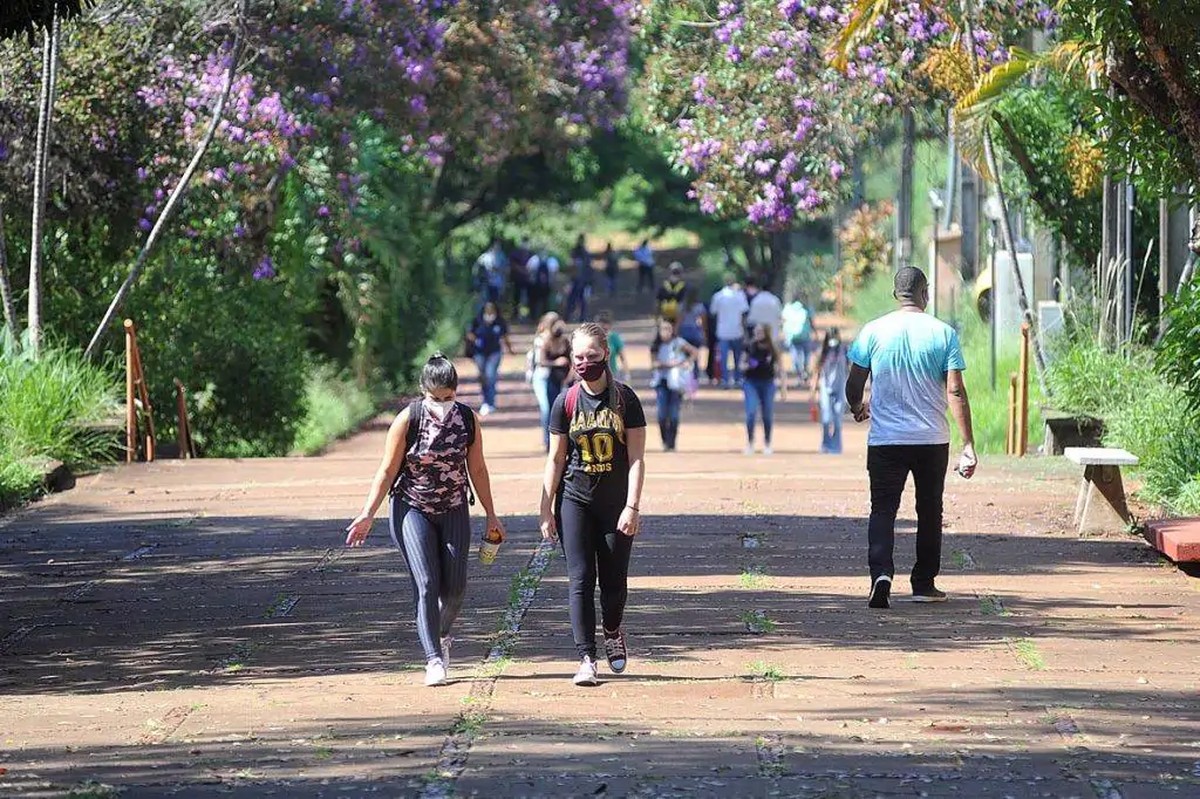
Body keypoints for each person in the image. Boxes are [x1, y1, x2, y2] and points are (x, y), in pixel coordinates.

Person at [344, 355, 506, 687]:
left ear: (456, 393)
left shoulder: (467, 420)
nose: (443, 405)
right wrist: (368, 513)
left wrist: (491, 514)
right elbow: (388, 470)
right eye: (436, 398)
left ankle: (442, 633)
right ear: (423, 391)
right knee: (427, 583)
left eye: (449, 398)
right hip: (411, 507)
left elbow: (477, 469)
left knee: (456, 588)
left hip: (454, 507)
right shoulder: (408, 419)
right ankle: (433, 658)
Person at [845, 266, 977, 610]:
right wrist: (968, 445)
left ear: (895, 295)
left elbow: (854, 383)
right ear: (925, 293)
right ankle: (923, 582)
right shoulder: (943, 333)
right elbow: (955, 390)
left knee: (883, 509)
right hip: (931, 440)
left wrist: (858, 407)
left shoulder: (873, 331)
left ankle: (881, 576)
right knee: (929, 510)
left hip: (886, 440)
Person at [540, 323, 647, 686]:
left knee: (614, 583)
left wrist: (632, 506)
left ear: (606, 356)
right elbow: (555, 459)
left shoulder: (625, 400)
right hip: (575, 501)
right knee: (580, 581)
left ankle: (613, 630)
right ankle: (586, 657)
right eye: (579, 357)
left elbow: (635, 458)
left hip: (615, 504)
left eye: (592, 356)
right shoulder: (565, 401)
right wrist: (545, 507)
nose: (585, 363)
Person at [650, 319, 697, 452]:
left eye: (668, 329)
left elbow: (694, 352)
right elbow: (654, 363)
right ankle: (665, 440)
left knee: (674, 414)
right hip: (661, 382)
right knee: (662, 414)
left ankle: (672, 442)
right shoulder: (656, 346)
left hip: (676, 382)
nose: (665, 332)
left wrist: (687, 362)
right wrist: (668, 364)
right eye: (663, 329)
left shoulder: (678, 343)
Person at [741, 323, 785, 455]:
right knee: (751, 412)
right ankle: (750, 442)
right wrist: (748, 366)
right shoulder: (749, 346)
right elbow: (741, 365)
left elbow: (781, 368)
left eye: (760, 332)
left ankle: (767, 442)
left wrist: (783, 387)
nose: (757, 334)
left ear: (766, 333)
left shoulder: (772, 348)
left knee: (767, 414)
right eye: (756, 331)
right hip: (751, 382)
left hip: (768, 383)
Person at [467, 302, 515, 417]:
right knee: (483, 376)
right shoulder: (477, 320)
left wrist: (510, 350)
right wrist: (476, 340)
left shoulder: (499, 321)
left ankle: (490, 402)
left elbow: (504, 337)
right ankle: (485, 400)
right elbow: (469, 333)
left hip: (494, 352)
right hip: (480, 353)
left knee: (491, 375)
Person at [533, 315, 572, 452]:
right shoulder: (545, 342)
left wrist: (569, 376)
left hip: (563, 379)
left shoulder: (565, 342)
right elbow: (541, 361)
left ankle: (565, 441)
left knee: (564, 410)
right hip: (548, 379)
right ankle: (548, 440)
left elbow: (572, 360)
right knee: (547, 409)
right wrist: (556, 362)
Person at [813, 327, 849, 454]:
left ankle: (836, 445)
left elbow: (849, 369)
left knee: (838, 417)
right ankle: (825, 444)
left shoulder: (844, 351)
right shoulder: (823, 352)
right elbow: (816, 372)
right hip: (825, 387)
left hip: (840, 387)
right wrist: (813, 390)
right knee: (827, 418)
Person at [710, 273, 749, 388]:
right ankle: (738, 379)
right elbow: (744, 313)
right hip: (737, 330)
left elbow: (713, 312)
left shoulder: (718, 296)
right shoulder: (740, 295)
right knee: (737, 357)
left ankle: (725, 379)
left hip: (723, 331)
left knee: (724, 357)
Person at [781, 294, 815, 386]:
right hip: (805, 336)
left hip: (793, 337)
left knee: (795, 356)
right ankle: (805, 372)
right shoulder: (807, 308)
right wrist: (814, 332)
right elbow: (811, 321)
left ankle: (799, 376)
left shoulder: (788, 308)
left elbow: (783, 320)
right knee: (806, 356)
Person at [678, 292, 707, 380]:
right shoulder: (699, 306)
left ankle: (684, 373)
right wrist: (704, 333)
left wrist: (677, 332)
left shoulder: (682, 305)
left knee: (684, 354)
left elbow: (679, 320)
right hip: (695, 332)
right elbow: (703, 322)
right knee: (695, 353)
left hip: (684, 331)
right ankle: (695, 373)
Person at [597, 311, 631, 383]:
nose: (604, 327)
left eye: (606, 324)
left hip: (612, 374)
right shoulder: (594, 338)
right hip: (597, 374)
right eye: (602, 324)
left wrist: (627, 374)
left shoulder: (614, 337)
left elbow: (623, 357)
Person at [566, 235, 594, 322]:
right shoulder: (585, 254)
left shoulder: (575, 253)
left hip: (577, 280)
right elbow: (589, 269)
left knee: (574, 299)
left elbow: (570, 267)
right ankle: (579, 317)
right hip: (581, 280)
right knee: (580, 300)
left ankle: (570, 316)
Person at [474, 239, 507, 305]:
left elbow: (505, 271)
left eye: (499, 245)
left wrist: (504, 284)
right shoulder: (485, 257)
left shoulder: (502, 256)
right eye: (497, 244)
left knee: (495, 303)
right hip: (486, 284)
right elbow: (477, 270)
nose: (498, 246)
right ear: (492, 245)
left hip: (497, 284)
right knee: (485, 303)